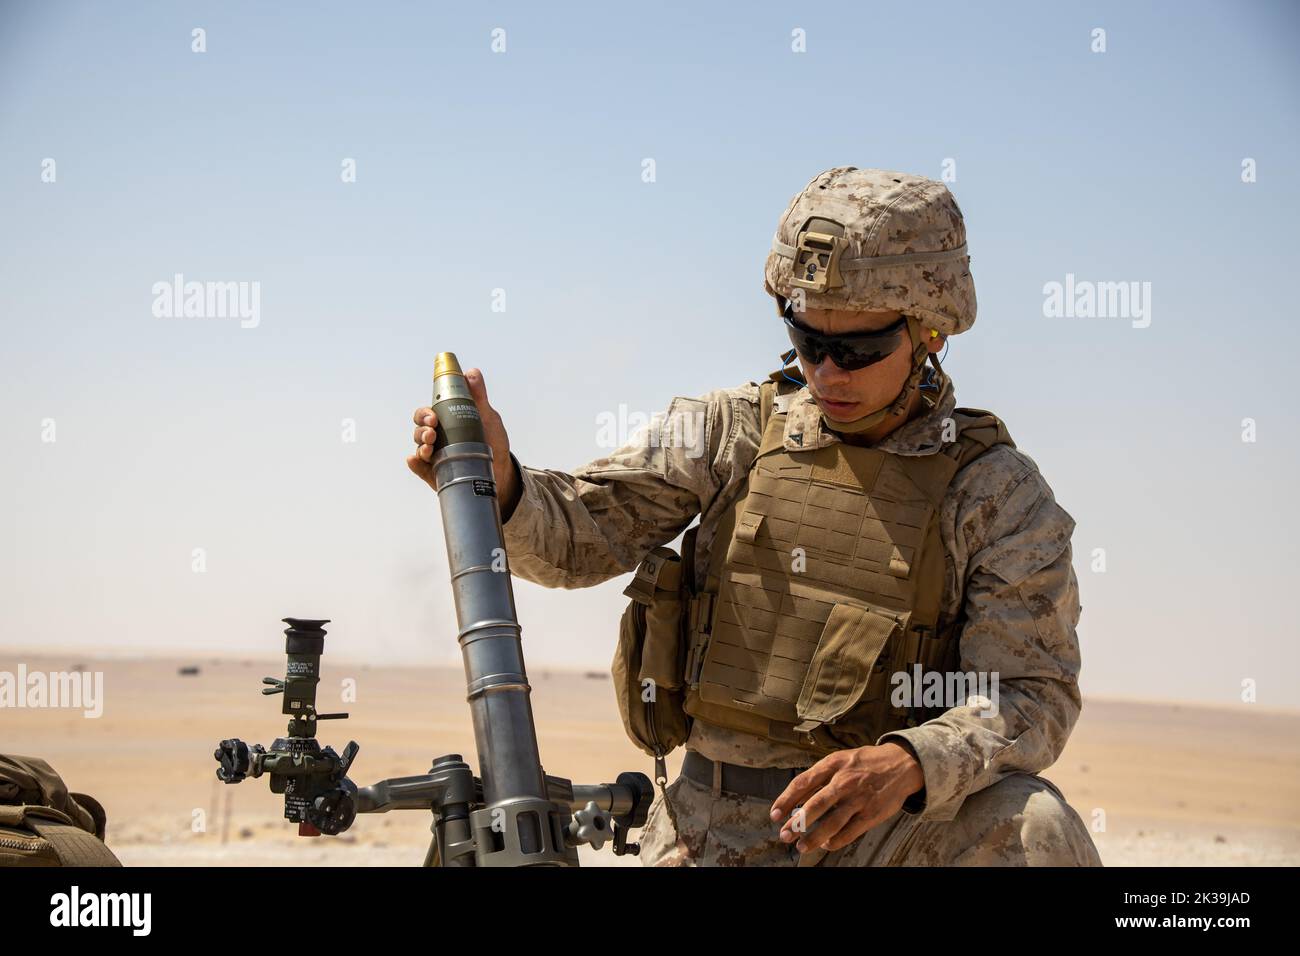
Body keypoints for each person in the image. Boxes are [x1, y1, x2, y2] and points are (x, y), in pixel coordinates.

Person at [407, 167, 1102, 866]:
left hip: (885, 838)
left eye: (859, 351)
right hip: (708, 831)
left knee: (1033, 827)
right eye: (809, 342)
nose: (829, 374)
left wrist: (910, 761)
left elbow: (1029, 696)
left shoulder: (995, 496)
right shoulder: (733, 432)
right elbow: (584, 534)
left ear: (930, 332)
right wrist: (502, 482)